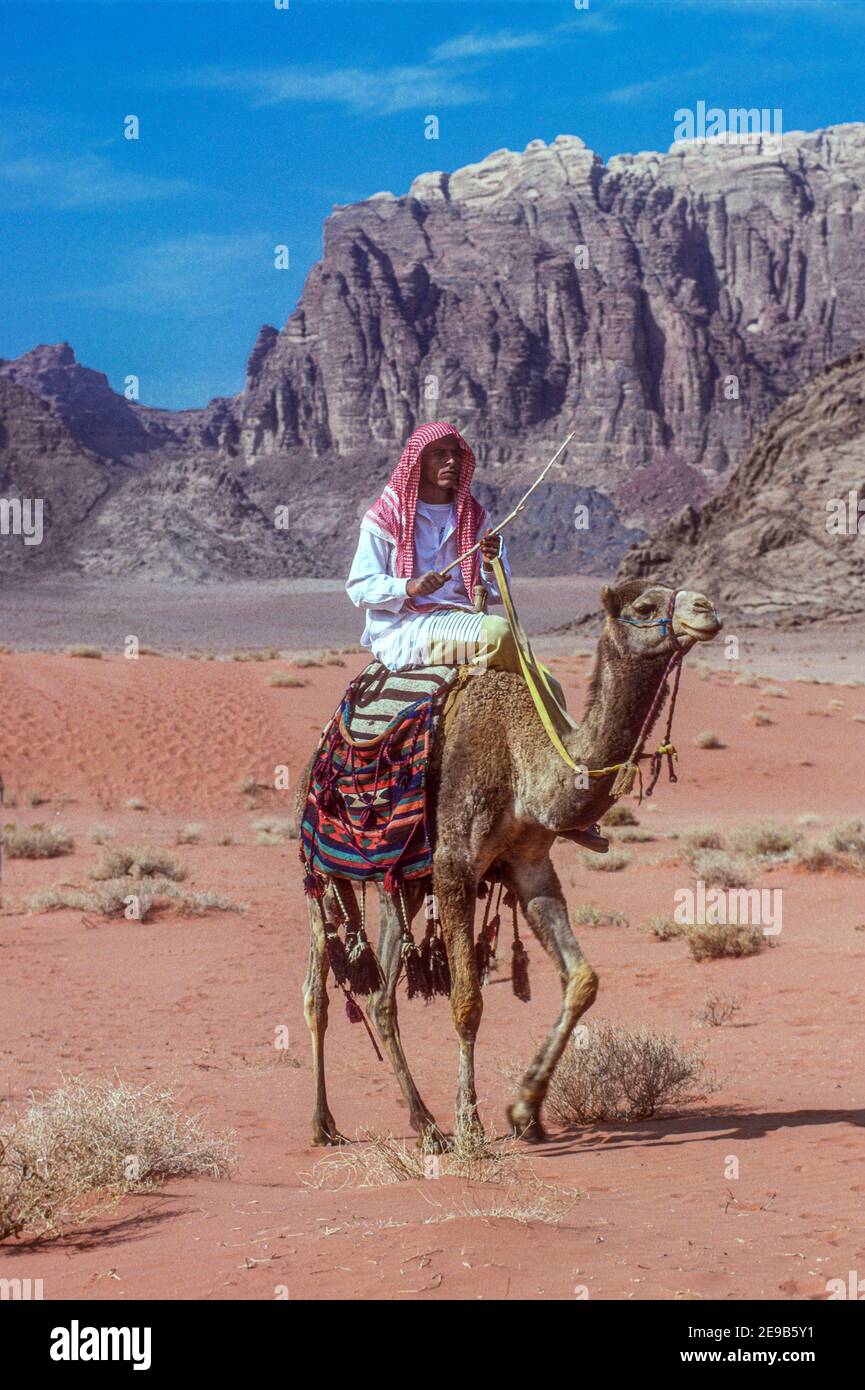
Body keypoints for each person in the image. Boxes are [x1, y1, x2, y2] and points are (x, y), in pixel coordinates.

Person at [346, 420, 559, 693]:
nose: (451, 461)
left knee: (548, 682)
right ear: (419, 462)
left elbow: (495, 592)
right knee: (499, 633)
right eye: (439, 455)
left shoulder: (476, 517)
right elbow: (359, 588)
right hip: (408, 627)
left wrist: (487, 565)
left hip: (464, 619)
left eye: (456, 454)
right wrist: (408, 587)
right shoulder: (385, 517)